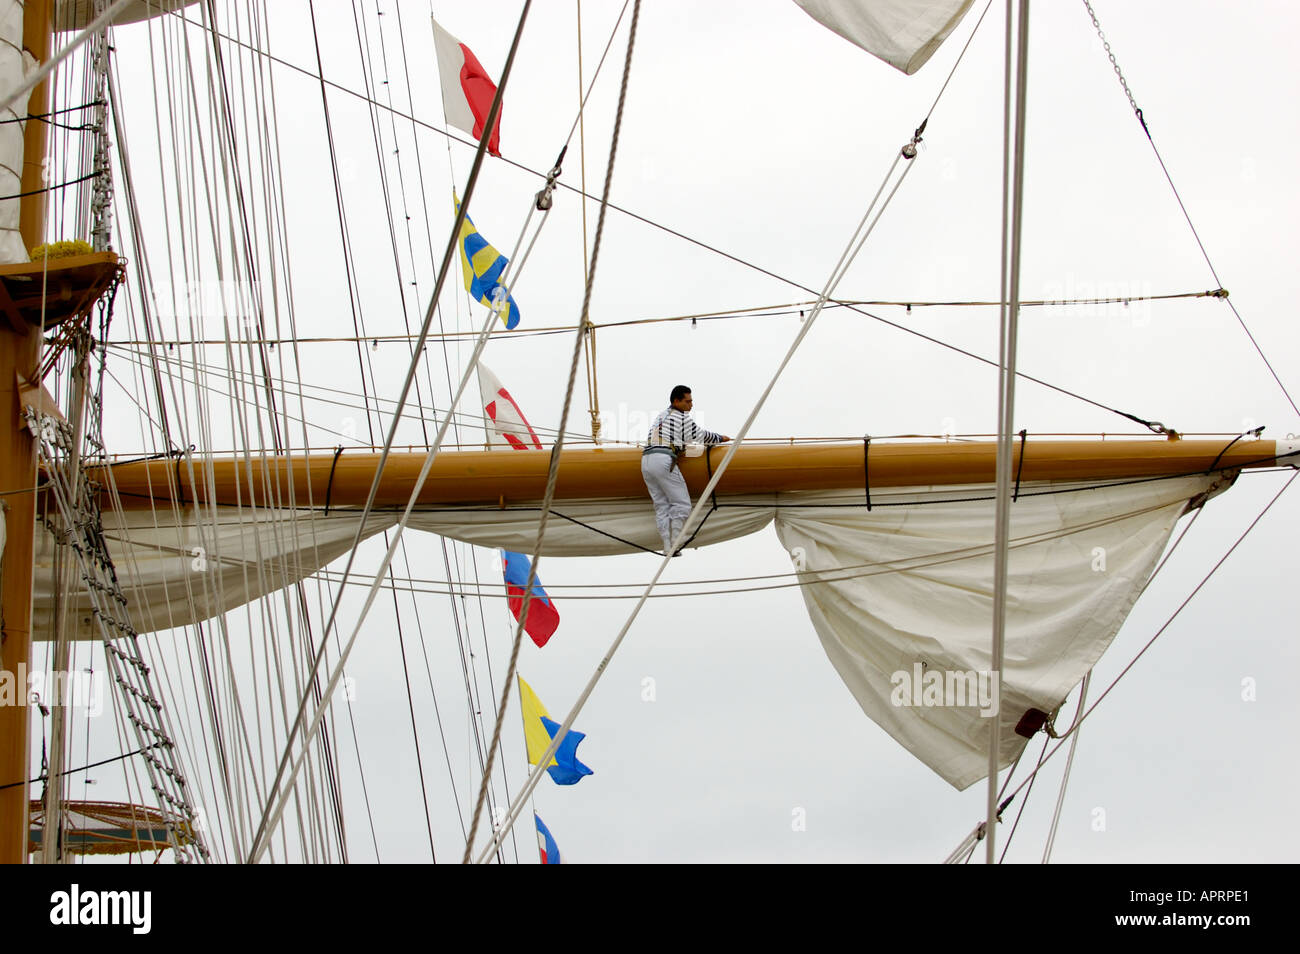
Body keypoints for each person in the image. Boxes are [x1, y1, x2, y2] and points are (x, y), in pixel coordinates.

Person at [641, 386, 730, 556]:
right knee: (681, 503)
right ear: (676, 401)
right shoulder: (682, 418)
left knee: (661, 505)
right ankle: (677, 539)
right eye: (687, 401)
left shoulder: (661, 416)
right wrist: (721, 438)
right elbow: (701, 436)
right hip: (662, 459)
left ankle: (667, 545)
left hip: (646, 461)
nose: (691, 405)